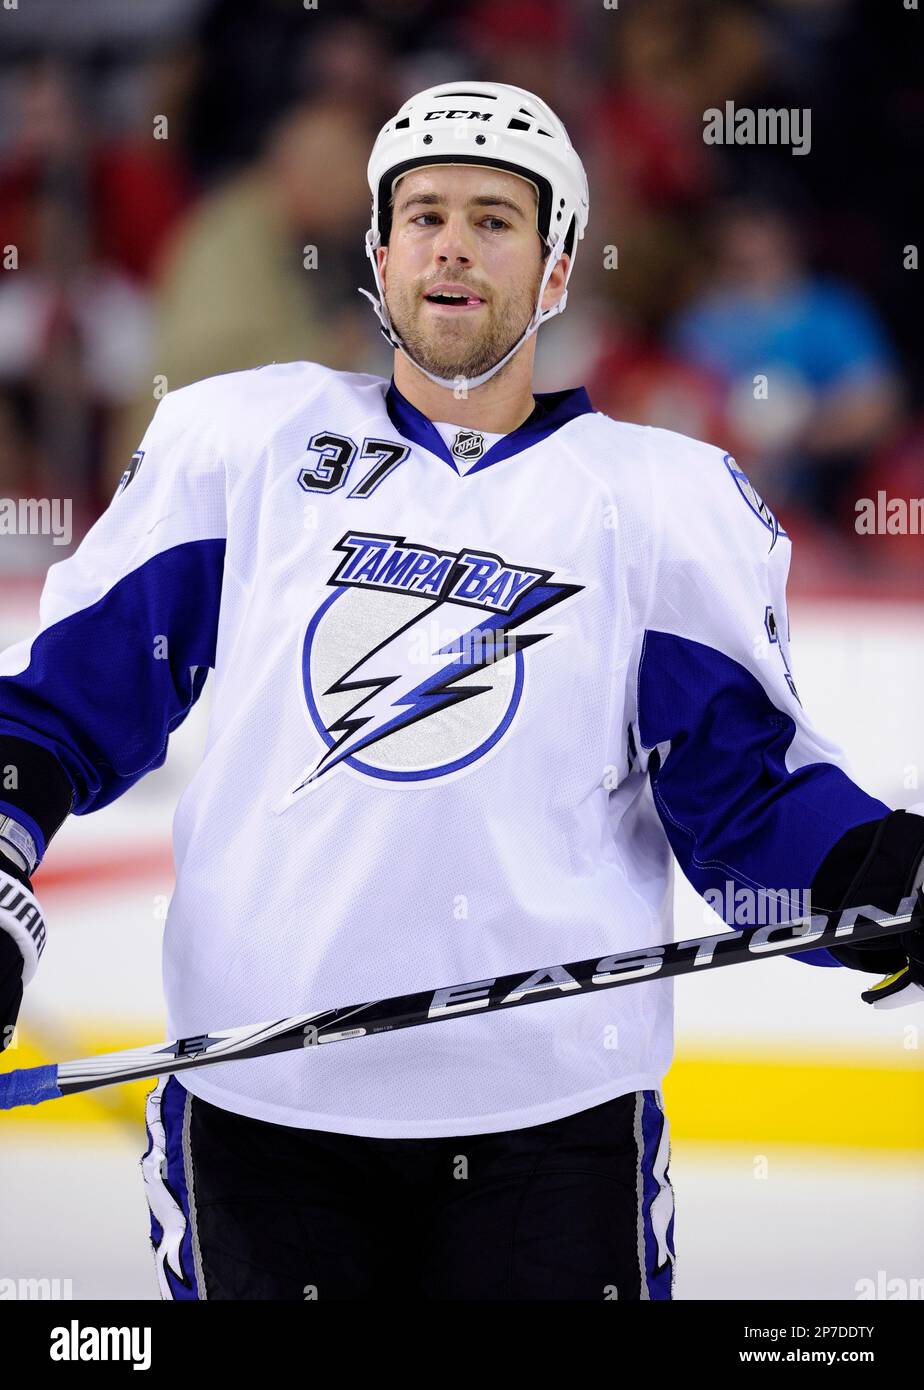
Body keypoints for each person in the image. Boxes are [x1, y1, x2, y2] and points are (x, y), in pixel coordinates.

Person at [0, 81, 921, 1303]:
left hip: (556, 1136)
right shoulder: (242, 446)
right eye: (423, 214)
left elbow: (744, 796)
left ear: (558, 267)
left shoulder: (657, 500)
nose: (452, 245)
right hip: (261, 1126)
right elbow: (67, 703)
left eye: (495, 220)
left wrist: (871, 870)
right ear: (379, 253)